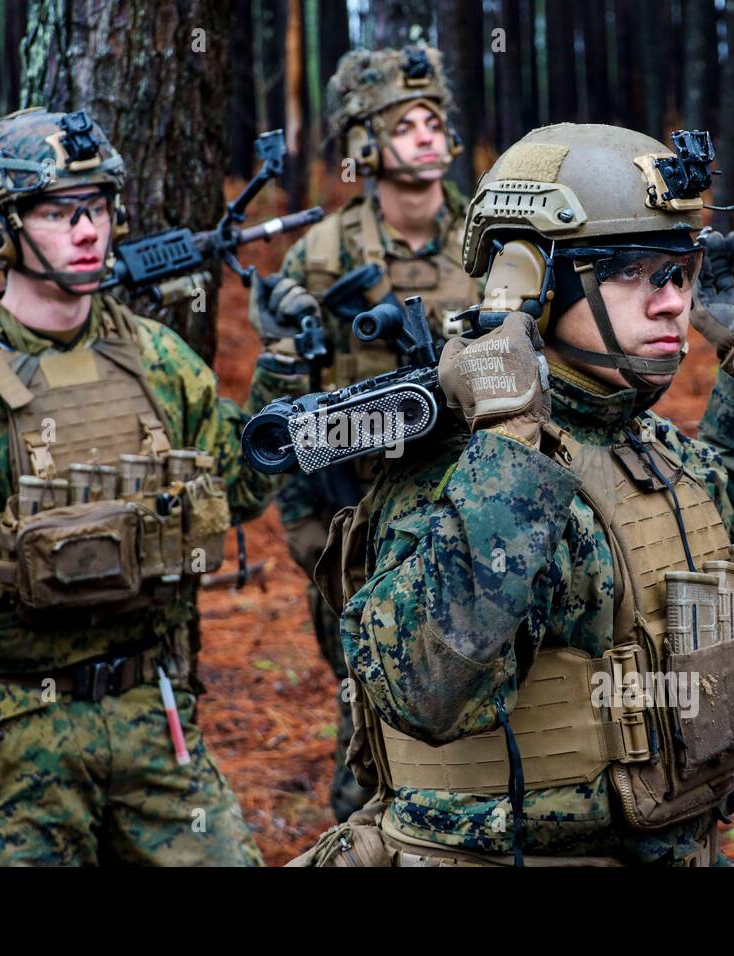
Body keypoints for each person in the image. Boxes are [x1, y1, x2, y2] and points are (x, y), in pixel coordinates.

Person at [0, 107, 308, 865]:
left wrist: (283, 368)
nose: (87, 230)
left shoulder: (160, 361)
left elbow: (234, 492)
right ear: (1, 231)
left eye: (98, 207)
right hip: (8, 740)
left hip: (151, 720)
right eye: (58, 211)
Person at [293, 122, 734, 867]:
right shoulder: (463, 473)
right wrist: (507, 431)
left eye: (681, 269)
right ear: (531, 280)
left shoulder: (635, 438)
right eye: (635, 270)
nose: (672, 303)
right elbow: (424, 687)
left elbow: (727, 531)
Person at [249, 45, 482, 822]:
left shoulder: (494, 244)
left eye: (434, 121)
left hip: (483, 518)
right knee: (373, 719)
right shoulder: (319, 258)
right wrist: (313, 537)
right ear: (362, 146)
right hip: (364, 528)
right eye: (404, 124)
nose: (426, 136)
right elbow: (289, 414)